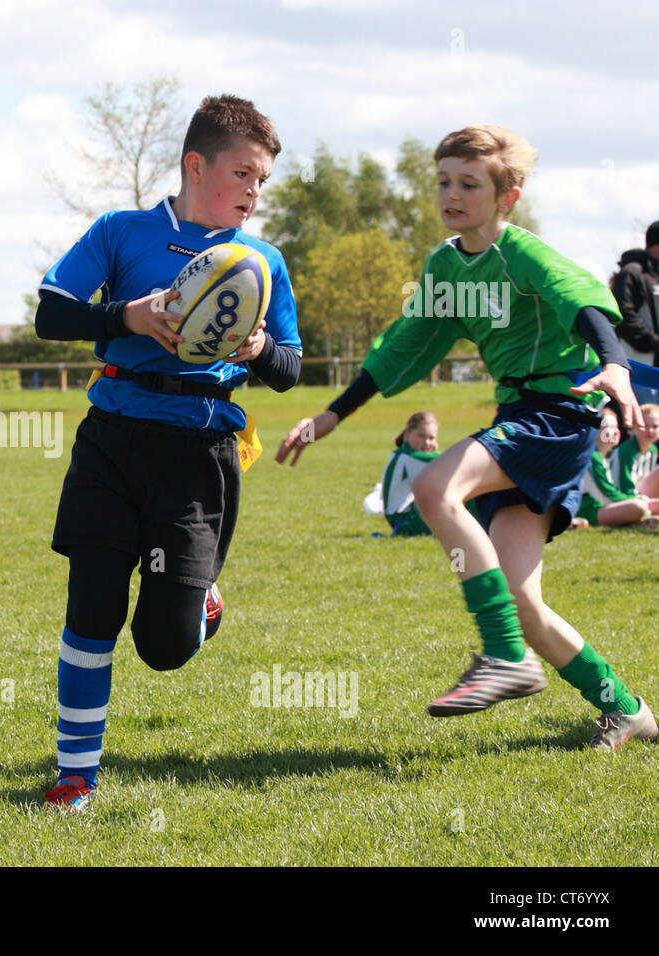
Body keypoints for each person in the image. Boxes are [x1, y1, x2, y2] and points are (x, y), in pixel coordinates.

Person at [276, 124, 655, 751]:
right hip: (521, 414)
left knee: (433, 485)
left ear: (505, 196)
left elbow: (582, 302)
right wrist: (330, 417)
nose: (451, 194)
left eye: (469, 183)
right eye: (444, 181)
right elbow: (402, 348)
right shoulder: (446, 266)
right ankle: (626, 708)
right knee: (522, 601)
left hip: (557, 415)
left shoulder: (523, 252)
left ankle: (504, 655)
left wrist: (612, 360)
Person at [34, 94, 302, 812]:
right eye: (243, 173)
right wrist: (128, 314)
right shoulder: (122, 232)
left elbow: (291, 368)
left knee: (164, 646)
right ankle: (74, 776)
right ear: (196, 164)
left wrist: (257, 348)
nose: (253, 191)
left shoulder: (263, 262)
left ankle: (200, 599)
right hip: (112, 439)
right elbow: (50, 309)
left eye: (262, 181)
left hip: (198, 452)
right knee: (92, 605)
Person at [577, 404, 658, 527]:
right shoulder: (593, 456)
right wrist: (642, 502)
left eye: (616, 427)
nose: (613, 432)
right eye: (607, 427)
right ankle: (643, 518)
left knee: (641, 505)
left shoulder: (603, 456)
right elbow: (606, 495)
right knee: (639, 507)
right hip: (590, 509)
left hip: (609, 503)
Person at [610, 221, 659, 403]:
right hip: (639, 368)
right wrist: (654, 342)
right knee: (641, 427)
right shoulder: (633, 272)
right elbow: (623, 315)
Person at [380, 411, 439, 536]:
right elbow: (452, 462)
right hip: (405, 522)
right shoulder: (409, 458)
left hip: (403, 519)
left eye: (431, 438)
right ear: (407, 435)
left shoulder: (403, 453)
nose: (427, 442)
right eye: (421, 436)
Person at [608, 402, 659, 500]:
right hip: (623, 497)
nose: (650, 431)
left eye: (655, 426)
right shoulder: (627, 450)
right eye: (644, 426)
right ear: (634, 426)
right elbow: (625, 486)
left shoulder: (653, 450)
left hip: (641, 496)